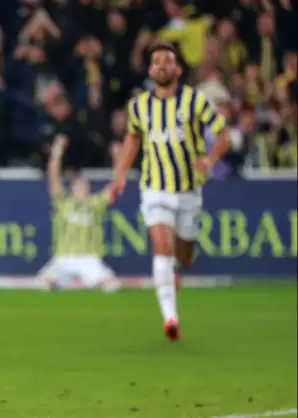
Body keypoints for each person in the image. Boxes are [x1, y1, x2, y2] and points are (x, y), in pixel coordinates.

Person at [110, 43, 231, 342]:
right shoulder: (138, 106)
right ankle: (170, 317)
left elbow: (224, 134)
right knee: (161, 249)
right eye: (156, 61)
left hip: (189, 190)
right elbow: (132, 140)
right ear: (150, 70)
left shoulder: (195, 100)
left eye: (168, 61)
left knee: (184, 256)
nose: (162, 65)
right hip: (155, 188)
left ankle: (177, 269)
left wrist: (210, 159)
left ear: (177, 69)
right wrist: (120, 174)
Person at [37, 134, 120, 292]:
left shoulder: (95, 203)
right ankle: (59, 283)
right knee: (43, 285)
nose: (81, 188)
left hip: (88, 257)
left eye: (84, 185)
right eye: (78, 185)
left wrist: (117, 159)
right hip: (63, 257)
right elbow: (53, 177)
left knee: (111, 286)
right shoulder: (63, 203)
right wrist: (57, 151)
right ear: (72, 189)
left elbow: (115, 186)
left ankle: (92, 282)